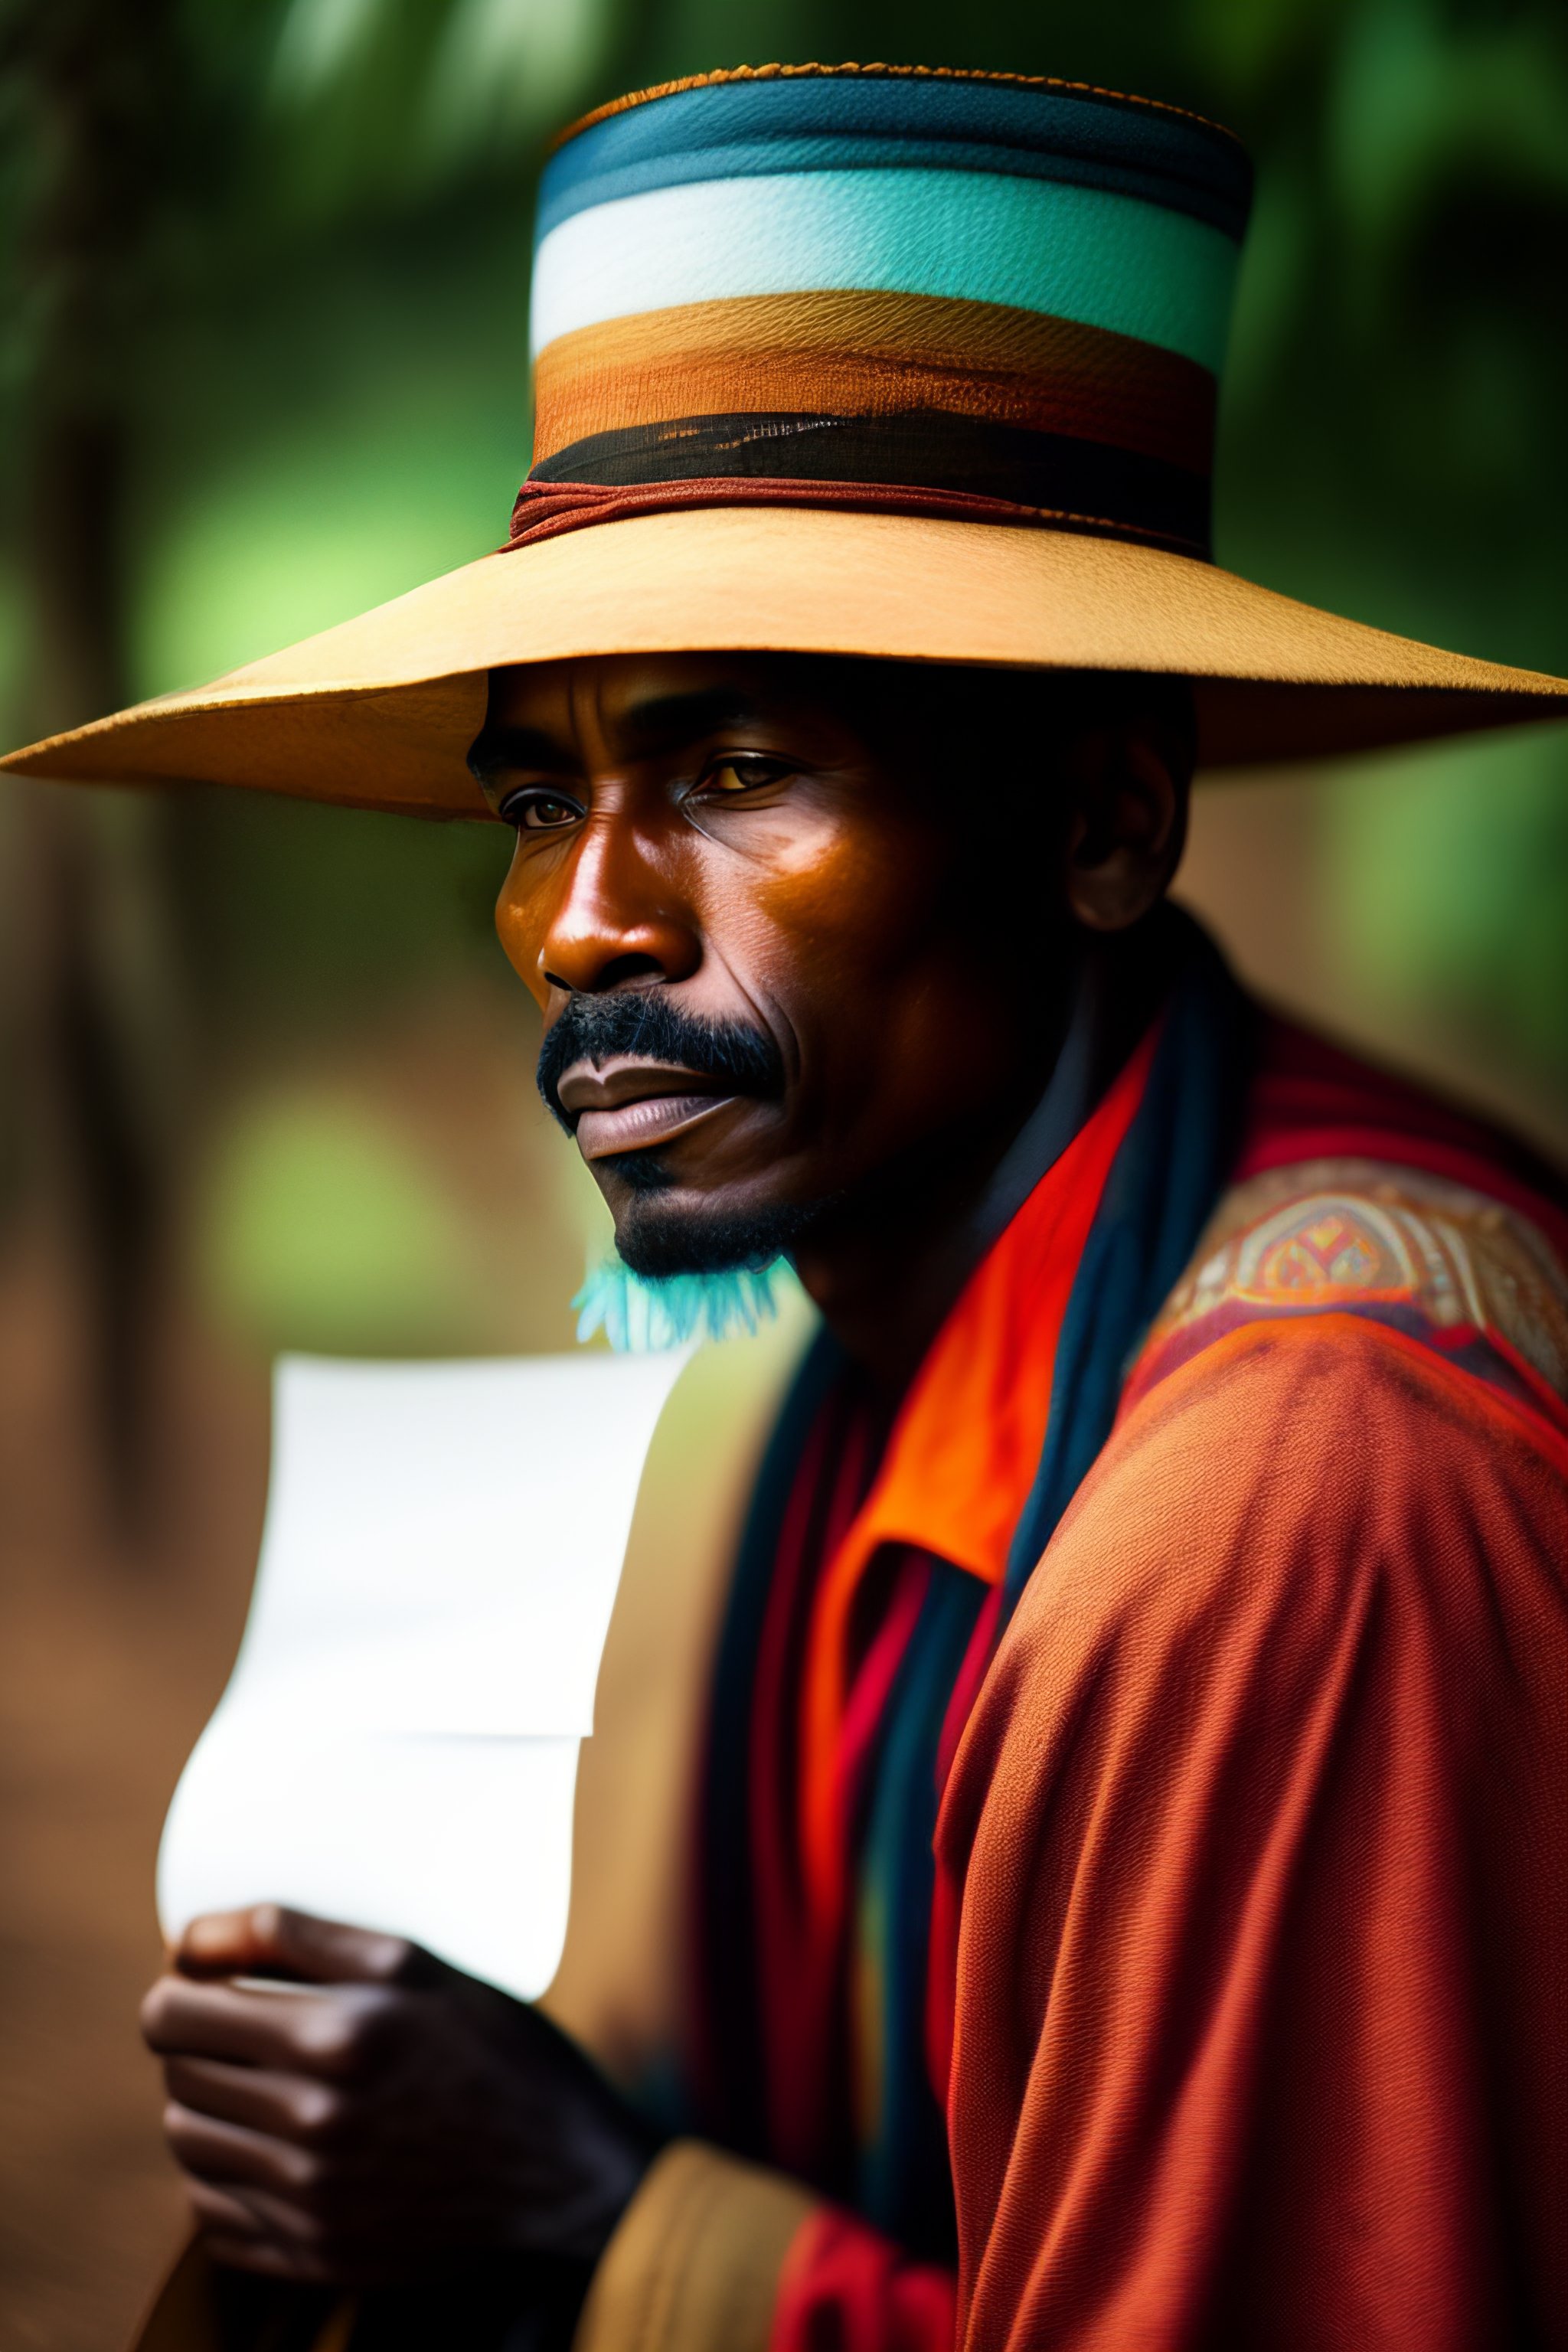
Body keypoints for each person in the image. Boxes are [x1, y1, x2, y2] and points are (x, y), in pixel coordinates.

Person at [8, 63, 1566, 2352]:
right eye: (542, 796)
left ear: (1107, 829)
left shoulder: (1286, 1524)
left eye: (736, 770)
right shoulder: (885, 1358)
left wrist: (590, 2213)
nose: (585, 925)